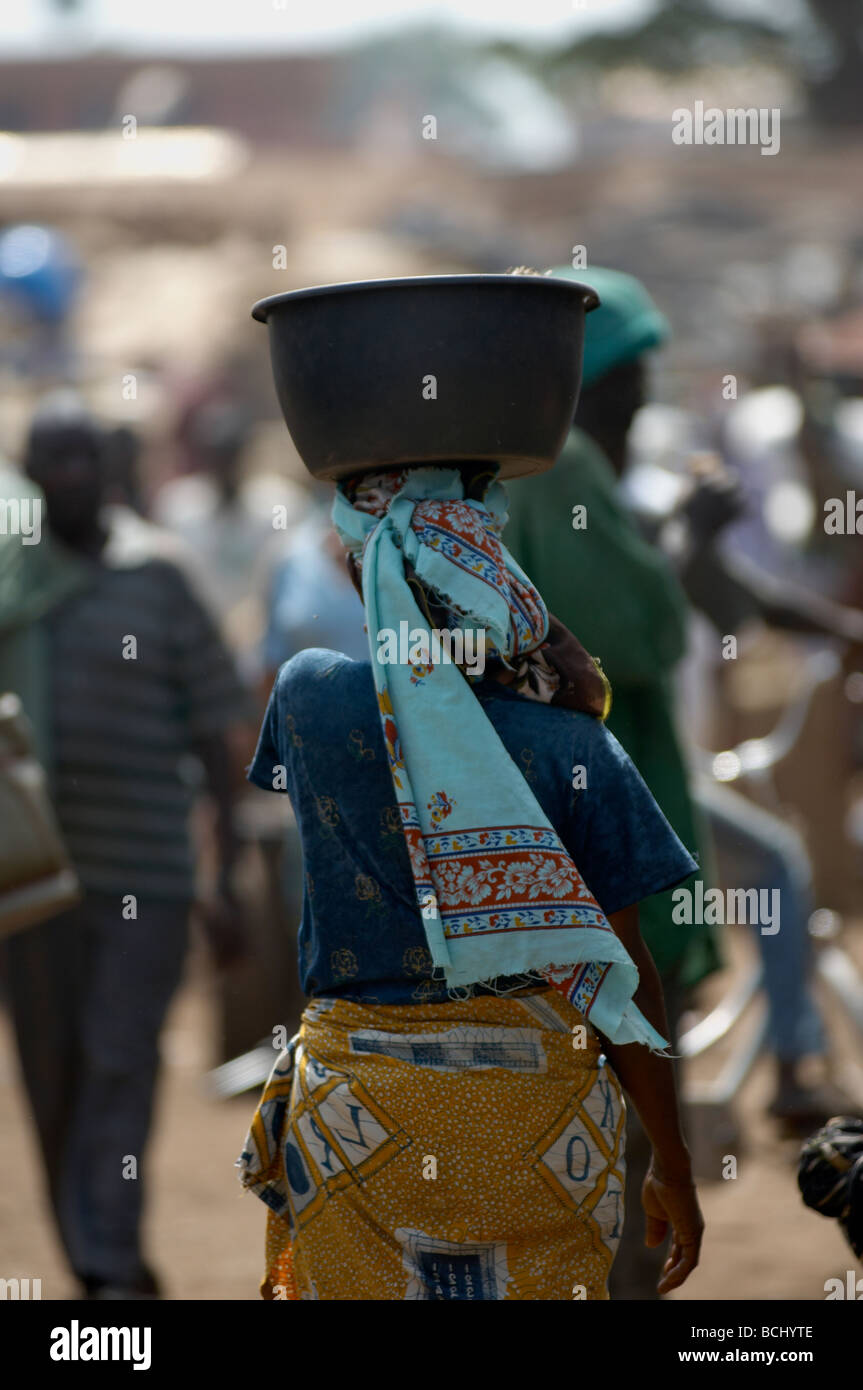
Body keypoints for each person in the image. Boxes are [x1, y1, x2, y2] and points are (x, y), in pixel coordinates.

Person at [238, 462, 704, 1301]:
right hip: (535, 1134)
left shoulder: (309, 700)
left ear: (359, 571)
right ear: (500, 577)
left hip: (359, 1127)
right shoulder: (576, 748)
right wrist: (672, 1165)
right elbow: (623, 984)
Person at [0, 397, 249, 1299]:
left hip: (146, 876)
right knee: (50, 1072)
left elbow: (221, 730)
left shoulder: (161, 576)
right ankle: (96, 1262)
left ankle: (108, 1264)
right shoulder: (11, 584)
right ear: (28, 478)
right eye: (48, 464)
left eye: (80, 461)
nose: (67, 479)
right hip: (30, 884)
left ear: (105, 470)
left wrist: (224, 874)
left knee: (118, 1056)